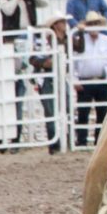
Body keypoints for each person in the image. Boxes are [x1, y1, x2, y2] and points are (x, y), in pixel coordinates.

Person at [0, 0, 48, 148]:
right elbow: (8, 11)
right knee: (15, 89)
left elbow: (44, 3)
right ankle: (13, 136)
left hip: (29, 39)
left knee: (23, 84)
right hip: (13, 41)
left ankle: (35, 74)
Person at [72, 11, 107, 147]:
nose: (93, 27)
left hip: (101, 81)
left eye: (95, 24)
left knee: (102, 113)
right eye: (91, 24)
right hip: (84, 81)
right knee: (83, 113)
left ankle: (99, 142)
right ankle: (81, 141)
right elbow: (72, 63)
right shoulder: (80, 40)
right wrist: (76, 80)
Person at [30, 12, 71, 152]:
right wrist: (45, 63)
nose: (65, 25)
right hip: (46, 78)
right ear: (56, 25)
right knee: (50, 110)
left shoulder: (68, 39)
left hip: (61, 76)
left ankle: (65, 139)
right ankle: (55, 143)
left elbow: (78, 49)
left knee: (66, 107)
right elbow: (33, 58)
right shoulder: (43, 39)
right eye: (62, 22)